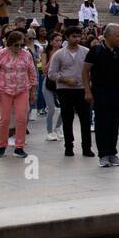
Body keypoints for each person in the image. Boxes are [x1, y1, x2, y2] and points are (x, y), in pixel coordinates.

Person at [83, 22, 119, 168]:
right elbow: (85, 71)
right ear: (108, 35)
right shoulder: (96, 51)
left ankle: (112, 153)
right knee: (102, 123)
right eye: (117, 36)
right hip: (100, 90)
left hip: (117, 90)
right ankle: (103, 154)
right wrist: (87, 90)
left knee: (114, 123)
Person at [0, 29, 37, 158]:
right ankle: (2, 145)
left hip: (22, 89)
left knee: (22, 118)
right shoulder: (1, 54)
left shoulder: (26, 55)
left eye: (21, 45)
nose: (19, 48)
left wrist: (32, 91)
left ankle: (19, 147)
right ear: (10, 44)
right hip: (4, 89)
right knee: (5, 119)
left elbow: (32, 72)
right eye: (16, 45)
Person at [48, 26, 94, 157]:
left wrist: (89, 88)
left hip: (82, 89)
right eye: (74, 36)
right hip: (65, 90)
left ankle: (87, 147)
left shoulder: (86, 51)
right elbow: (51, 73)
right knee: (67, 119)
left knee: (86, 119)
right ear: (67, 38)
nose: (77, 39)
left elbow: (92, 69)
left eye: (79, 36)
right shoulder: (59, 54)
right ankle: (69, 146)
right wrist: (65, 80)